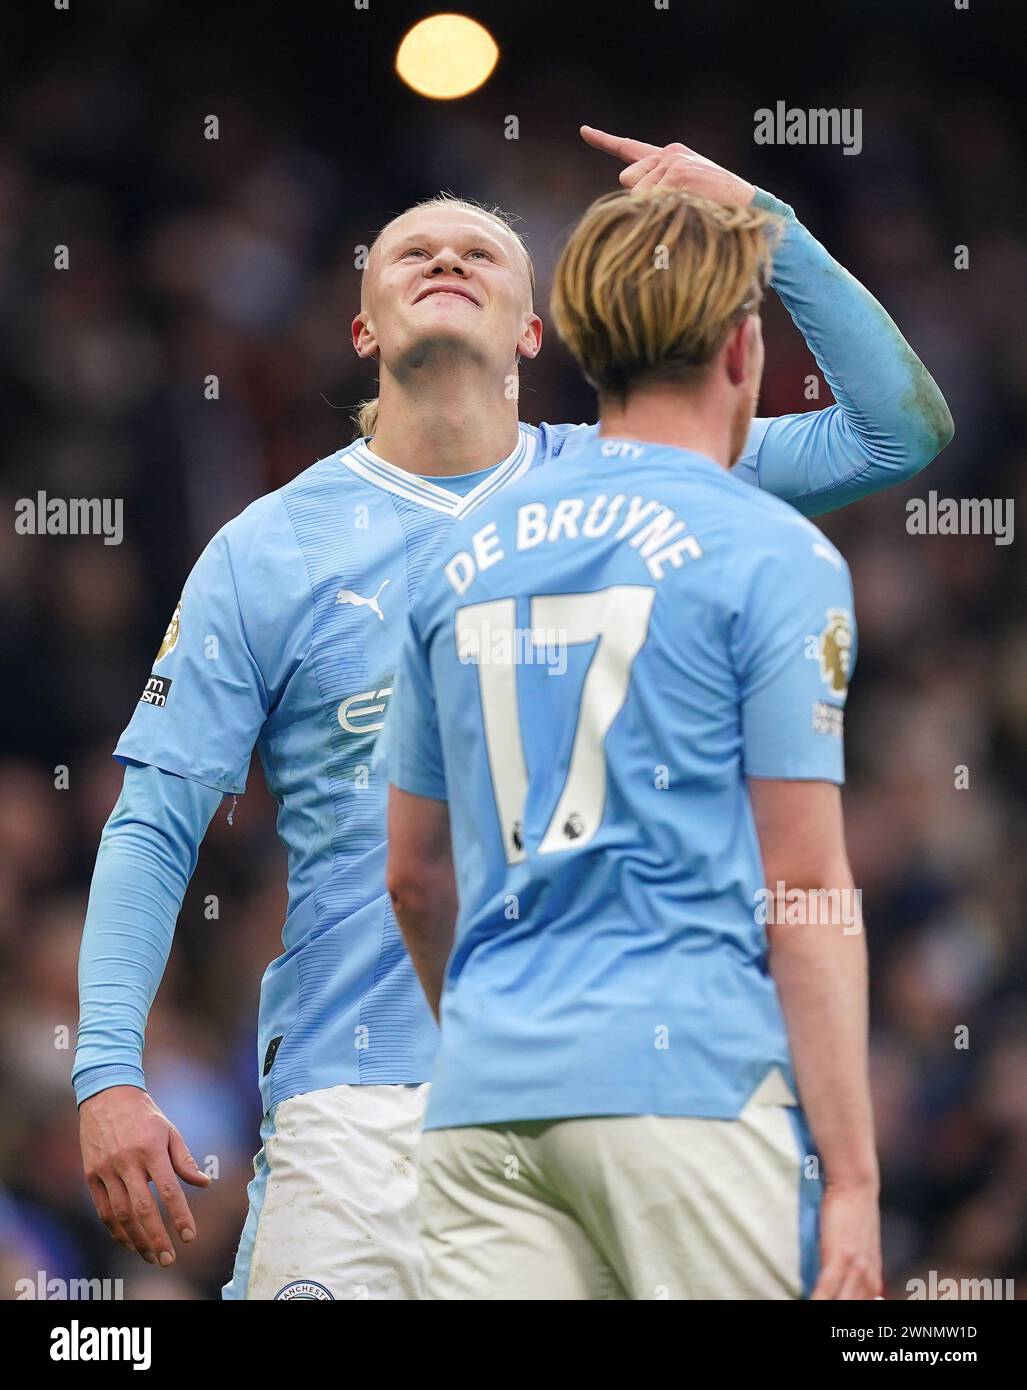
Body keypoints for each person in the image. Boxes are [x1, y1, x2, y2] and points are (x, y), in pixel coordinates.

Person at [75, 127, 947, 1300]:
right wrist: (106, 1073)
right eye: (410, 252)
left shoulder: (647, 479)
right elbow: (153, 822)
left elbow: (897, 427)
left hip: (608, 1091)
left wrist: (763, 221)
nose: (445, 258)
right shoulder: (266, 549)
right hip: (357, 1098)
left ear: (532, 334)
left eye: (479, 252)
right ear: (363, 330)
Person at [384, 186, 880, 1300]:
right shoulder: (770, 552)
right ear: (742, 349)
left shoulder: (454, 557)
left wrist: (494, 1038)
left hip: (478, 1107)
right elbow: (802, 887)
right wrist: (850, 1176)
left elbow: (413, 881)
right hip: (683, 1089)